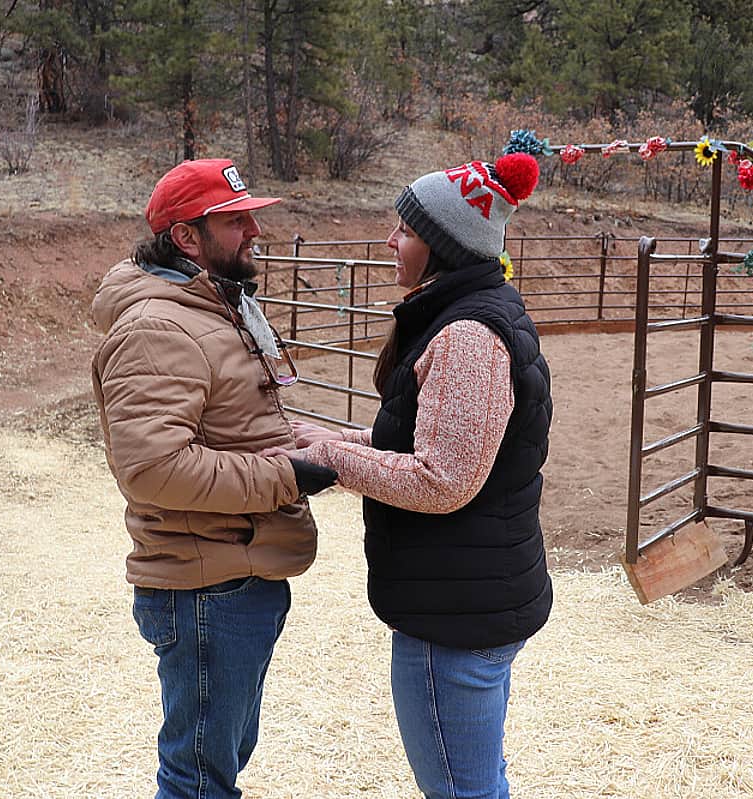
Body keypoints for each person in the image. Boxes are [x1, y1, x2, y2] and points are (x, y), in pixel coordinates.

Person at [271, 153, 554, 798]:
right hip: (472, 595)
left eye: (404, 230)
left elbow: (442, 477)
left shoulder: (467, 337)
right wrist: (341, 438)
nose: (390, 241)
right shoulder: (474, 315)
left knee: (461, 790)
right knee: (477, 782)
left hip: (453, 613)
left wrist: (334, 461)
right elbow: (436, 435)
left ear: (442, 245)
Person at [90, 158, 337, 799]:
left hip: (234, 571)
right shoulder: (159, 328)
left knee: (213, 765)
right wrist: (287, 476)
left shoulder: (210, 307)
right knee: (199, 779)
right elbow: (153, 468)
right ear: (186, 238)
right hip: (208, 585)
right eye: (234, 220)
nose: (253, 229)